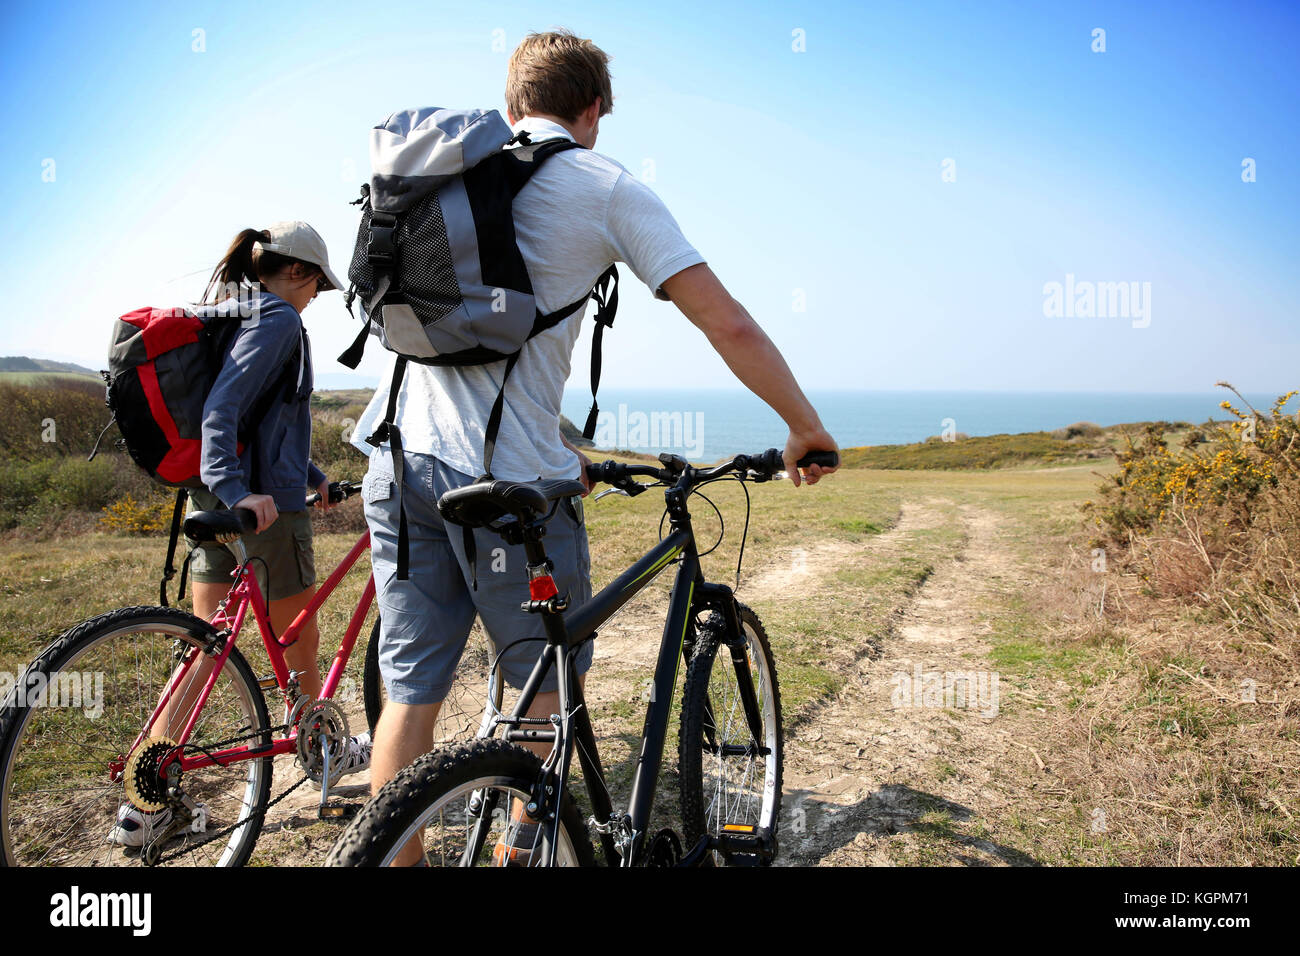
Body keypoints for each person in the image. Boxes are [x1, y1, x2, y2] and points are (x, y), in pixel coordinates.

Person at [353, 30, 839, 865]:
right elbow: (727, 321)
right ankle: (522, 855)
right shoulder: (602, 184)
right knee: (543, 685)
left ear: (512, 107)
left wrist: (561, 438)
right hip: (503, 484)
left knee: (411, 693)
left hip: (397, 462)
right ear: (593, 112)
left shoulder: (448, 175)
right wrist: (803, 424)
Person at [109, 222, 371, 847]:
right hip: (261, 512)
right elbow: (222, 412)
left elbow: (267, 417)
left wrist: (313, 474)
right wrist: (240, 490)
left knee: (204, 651)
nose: (316, 299)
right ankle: (324, 752)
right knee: (299, 640)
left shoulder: (233, 309)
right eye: (318, 287)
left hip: (216, 503)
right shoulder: (280, 318)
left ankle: (144, 806)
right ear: (301, 274)